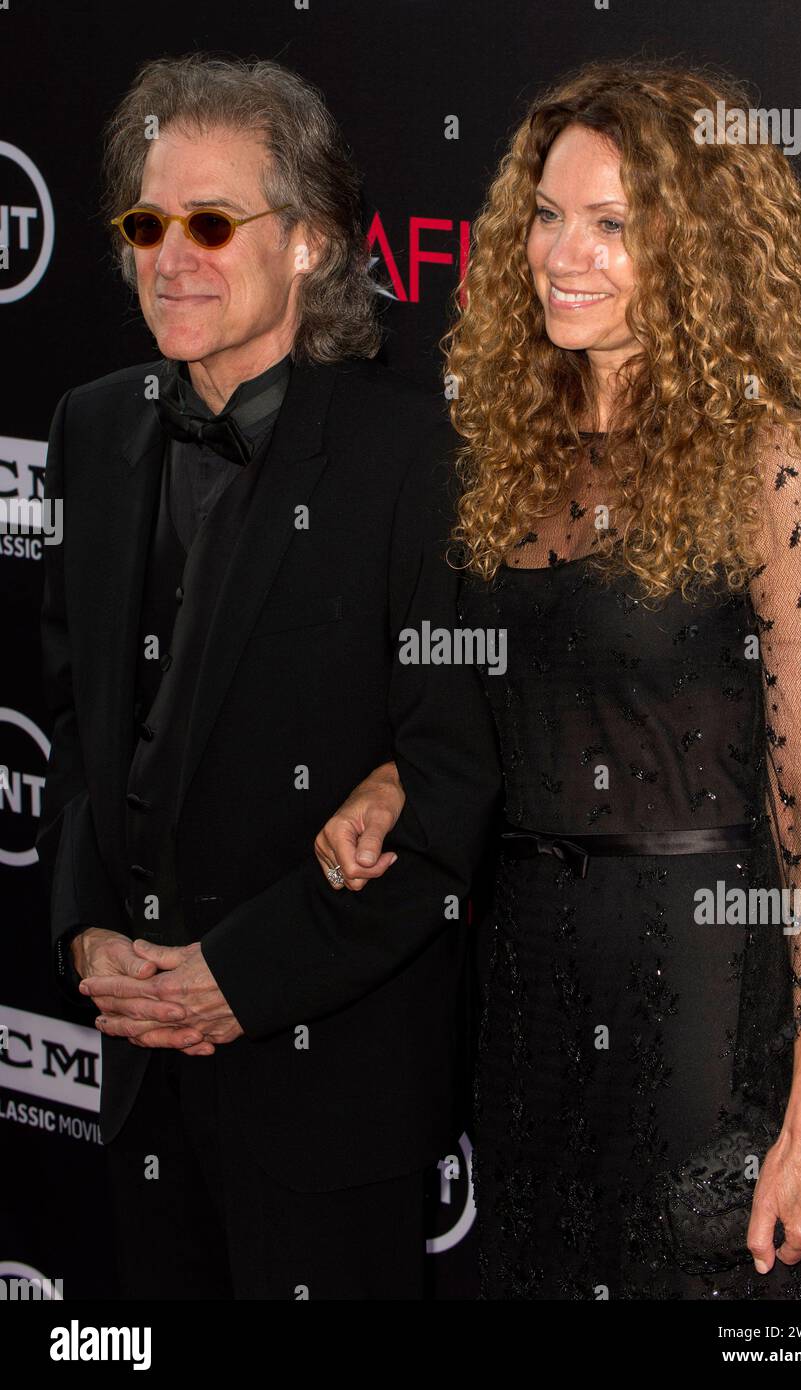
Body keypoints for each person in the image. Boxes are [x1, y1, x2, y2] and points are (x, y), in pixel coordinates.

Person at [312, 59, 801, 1299]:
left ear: (696, 251)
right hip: (525, 978)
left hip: (701, 981)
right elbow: (501, 700)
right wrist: (385, 781)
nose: (560, 253)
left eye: (613, 224)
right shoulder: (506, 450)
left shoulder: (770, 460)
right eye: (546, 213)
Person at [35, 53, 501, 1301]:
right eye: (145, 223)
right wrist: (87, 928)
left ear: (307, 244)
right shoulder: (92, 424)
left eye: (210, 222)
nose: (168, 256)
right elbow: (78, 713)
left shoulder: (415, 459)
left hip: (327, 1082)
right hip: (137, 1065)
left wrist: (240, 979)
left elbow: (450, 781)